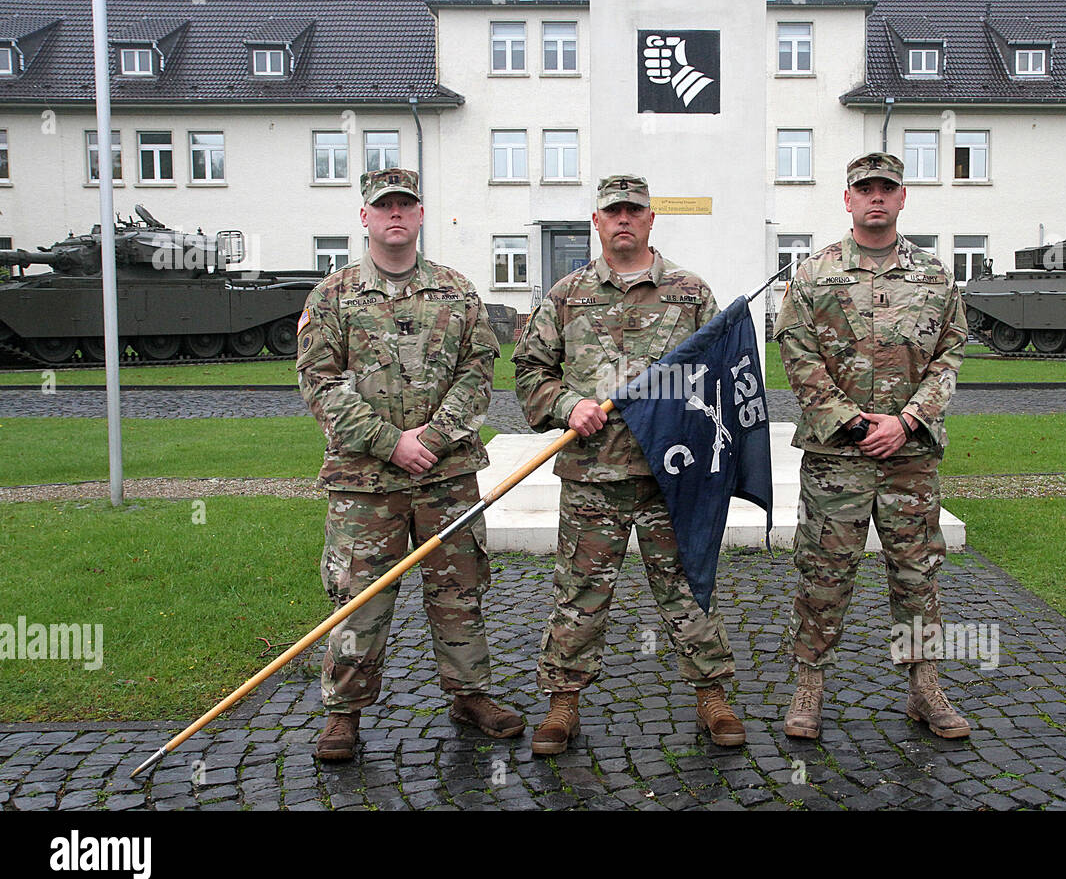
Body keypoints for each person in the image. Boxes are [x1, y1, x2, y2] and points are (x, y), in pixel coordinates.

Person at [513, 174, 745, 755]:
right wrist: (568, 405)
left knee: (688, 588)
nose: (623, 220)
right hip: (594, 476)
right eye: (612, 211)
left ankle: (712, 694)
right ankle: (563, 702)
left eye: (633, 211)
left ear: (649, 219)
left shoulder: (691, 294)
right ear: (596, 221)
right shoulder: (567, 296)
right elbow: (530, 371)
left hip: (674, 475)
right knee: (581, 592)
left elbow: (720, 373)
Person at [297, 167, 523, 760]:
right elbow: (320, 385)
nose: (395, 214)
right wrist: (388, 441)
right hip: (364, 482)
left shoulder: (457, 291)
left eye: (406, 205)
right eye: (383, 206)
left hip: (445, 476)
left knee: (459, 588)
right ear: (365, 217)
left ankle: (470, 694)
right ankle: (344, 713)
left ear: (421, 215)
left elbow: (478, 373)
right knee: (358, 596)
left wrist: (438, 435)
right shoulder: (333, 297)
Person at [773, 152, 969, 740]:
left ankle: (924, 687)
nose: (875, 198)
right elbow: (796, 354)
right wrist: (854, 423)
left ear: (902, 197)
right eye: (865, 189)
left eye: (886, 188)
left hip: (909, 460)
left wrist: (908, 421)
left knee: (917, 574)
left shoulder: (935, 276)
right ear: (848, 198)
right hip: (839, 460)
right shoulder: (813, 276)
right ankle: (809, 685)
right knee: (824, 573)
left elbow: (950, 355)